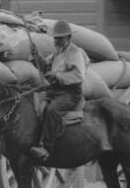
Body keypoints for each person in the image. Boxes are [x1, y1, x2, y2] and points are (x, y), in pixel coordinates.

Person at [29, 19, 90, 166]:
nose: (56, 40)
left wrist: (57, 76)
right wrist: (36, 56)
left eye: (60, 38)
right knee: (34, 105)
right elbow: (45, 67)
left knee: (52, 110)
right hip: (56, 91)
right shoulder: (57, 52)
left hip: (71, 94)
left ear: (68, 38)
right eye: (55, 38)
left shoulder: (75, 53)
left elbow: (78, 75)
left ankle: (47, 148)